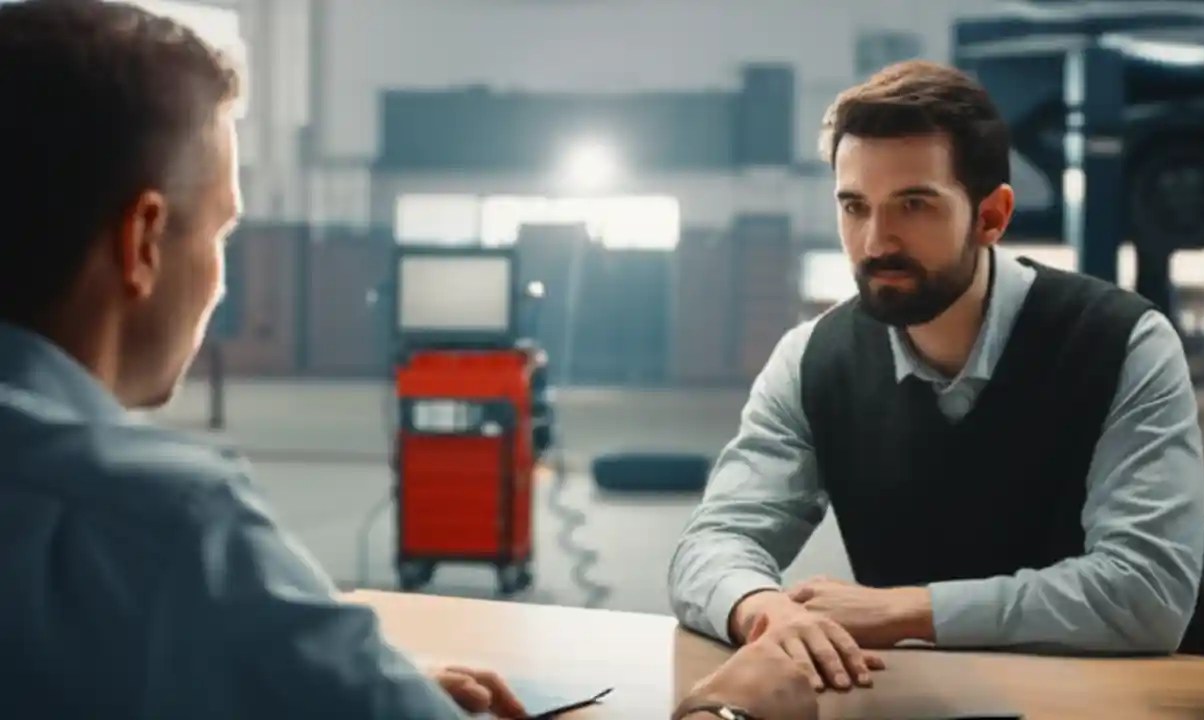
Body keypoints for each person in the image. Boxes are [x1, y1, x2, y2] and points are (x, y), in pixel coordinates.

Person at [0, 3, 816, 719]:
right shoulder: (156, 522)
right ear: (144, 242)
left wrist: (322, 685)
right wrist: (730, 714)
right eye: (221, 232)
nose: (222, 277)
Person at [669, 59, 1204, 690]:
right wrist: (764, 610)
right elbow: (712, 544)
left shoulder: (1124, 343)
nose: (875, 242)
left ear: (991, 217)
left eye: (914, 205)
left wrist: (908, 611)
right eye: (854, 206)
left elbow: (1145, 593)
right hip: (900, 700)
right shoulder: (812, 359)